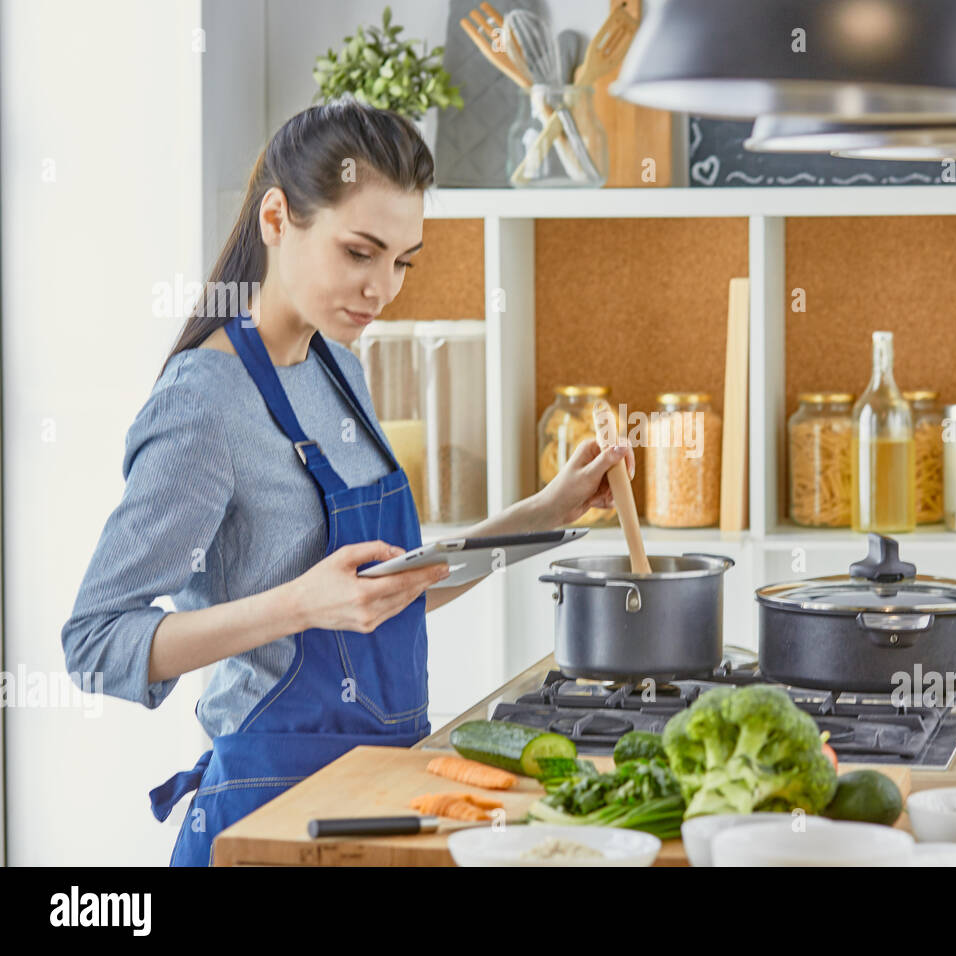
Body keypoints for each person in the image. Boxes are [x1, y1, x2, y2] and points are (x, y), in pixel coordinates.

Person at [60, 99, 633, 866]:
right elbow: (94, 644)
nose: (383, 289)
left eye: (402, 261)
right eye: (359, 252)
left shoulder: (340, 368)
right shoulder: (203, 402)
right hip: (270, 815)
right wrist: (299, 605)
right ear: (276, 219)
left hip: (380, 796)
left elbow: (393, 590)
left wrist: (547, 510)